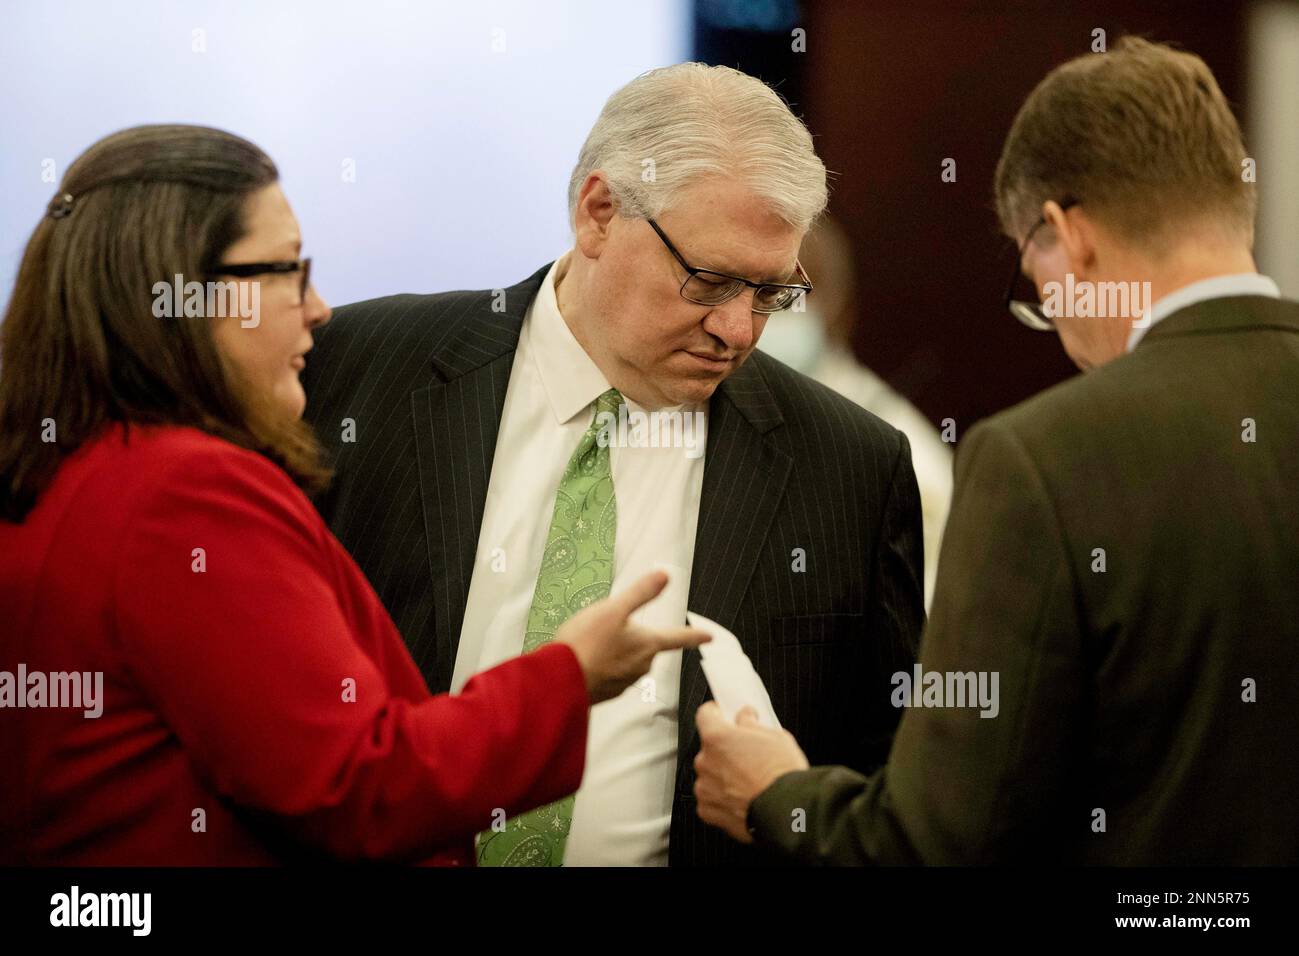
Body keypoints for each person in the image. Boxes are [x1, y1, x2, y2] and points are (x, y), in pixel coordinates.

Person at [0, 124, 706, 866]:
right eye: (286, 273)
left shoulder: (64, 470)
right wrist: (566, 677)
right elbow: (357, 788)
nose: (318, 309)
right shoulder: (186, 495)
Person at [693, 37, 1299, 864]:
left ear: (1067, 234)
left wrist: (775, 793)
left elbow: (932, 844)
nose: (1056, 325)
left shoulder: (1044, 460)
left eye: (1033, 280)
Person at [302, 62, 925, 866]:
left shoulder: (848, 467)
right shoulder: (358, 375)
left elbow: (879, 782)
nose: (737, 330)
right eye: (708, 280)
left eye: (770, 293)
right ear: (598, 212)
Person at [758, 214, 952, 608]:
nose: (771, 316)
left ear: (834, 301)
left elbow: (931, 618)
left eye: (790, 297)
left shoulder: (904, 450)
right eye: (760, 295)